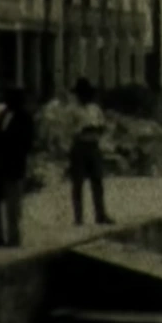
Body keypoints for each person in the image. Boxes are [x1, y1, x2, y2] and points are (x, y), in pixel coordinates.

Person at [0, 87, 34, 248]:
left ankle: (14, 238)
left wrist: (1, 138)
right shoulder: (3, 114)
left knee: (13, 206)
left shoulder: (25, 118)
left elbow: (24, 142)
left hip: (13, 165)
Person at [69, 78, 115, 226]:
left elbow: (103, 125)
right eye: (81, 94)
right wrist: (83, 129)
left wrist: (97, 129)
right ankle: (78, 217)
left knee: (97, 181)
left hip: (93, 145)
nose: (83, 97)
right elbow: (69, 130)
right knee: (78, 182)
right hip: (80, 146)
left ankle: (100, 214)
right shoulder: (73, 110)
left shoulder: (95, 109)